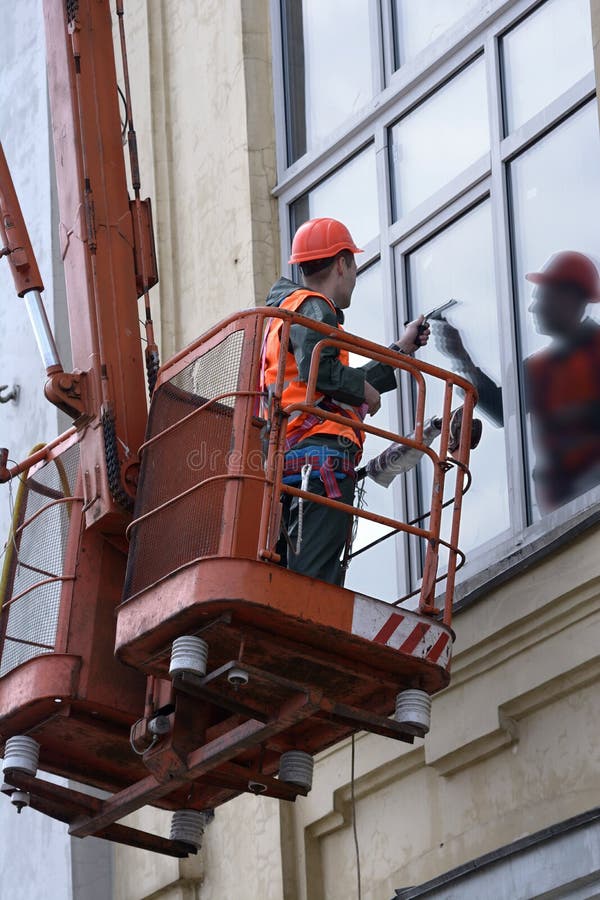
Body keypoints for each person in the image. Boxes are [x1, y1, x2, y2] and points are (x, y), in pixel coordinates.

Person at [262, 217, 430, 585]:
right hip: (320, 463)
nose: (354, 276)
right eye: (353, 265)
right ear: (341, 263)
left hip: (293, 463)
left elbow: (322, 390)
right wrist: (363, 391)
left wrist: (401, 350)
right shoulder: (314, 308)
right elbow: (319, 375)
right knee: (312, 587)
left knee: (293, 575)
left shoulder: (286, 313)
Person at [432, 250, 600, 511]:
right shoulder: (541, 368)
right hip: (561, 504)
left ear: (568, 298)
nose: (533, 306)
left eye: (541, 296)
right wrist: (461, 358)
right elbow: (503, 409)